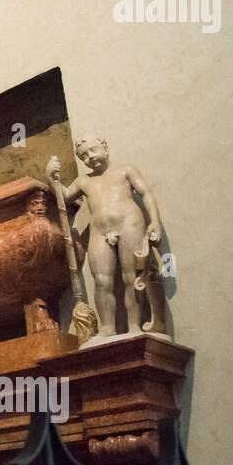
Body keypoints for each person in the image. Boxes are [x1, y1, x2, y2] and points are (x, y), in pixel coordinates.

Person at [46, 133, 167, 337]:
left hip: (129, 223)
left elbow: (146, 193)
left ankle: (134, 326)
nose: (90, 157)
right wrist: (51, 178)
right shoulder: (84, 181)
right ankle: (107, 327)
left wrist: (154, 221)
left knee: (132, 277)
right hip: (100, 230)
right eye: (84, 156)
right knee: (102, 280)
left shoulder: (125, 170)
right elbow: (64, 197)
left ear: (105, 147)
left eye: (93, 150)